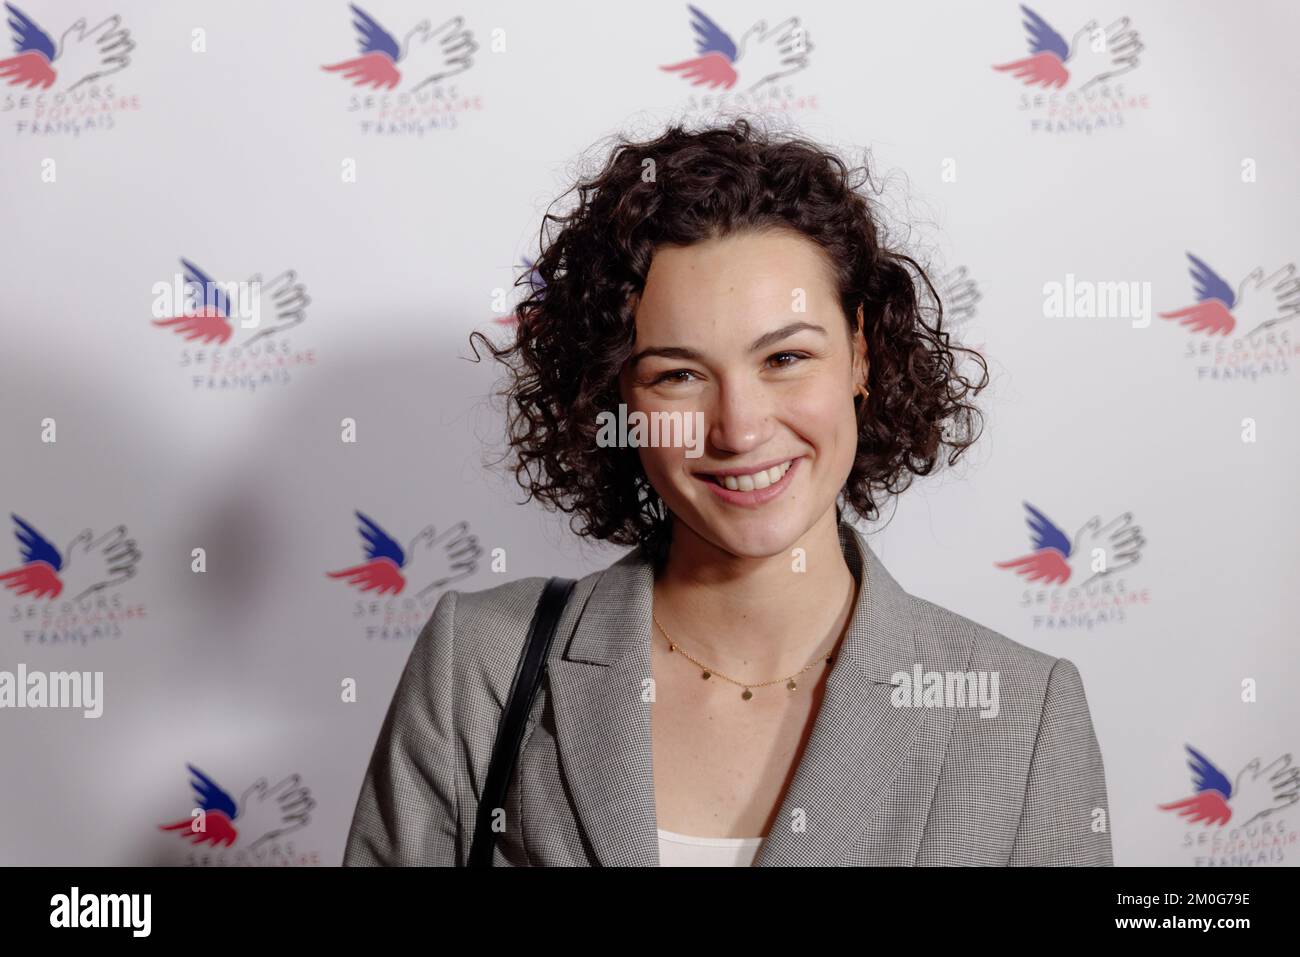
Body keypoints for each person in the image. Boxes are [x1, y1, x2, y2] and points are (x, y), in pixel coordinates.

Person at [343, 117, 1112, 866]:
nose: (738, 429)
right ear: (618, 397)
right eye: (678, 374)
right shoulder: (476, 665)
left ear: (860, 356)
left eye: (784, 359)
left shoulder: (1020, 712)